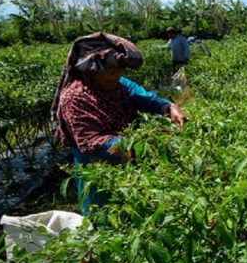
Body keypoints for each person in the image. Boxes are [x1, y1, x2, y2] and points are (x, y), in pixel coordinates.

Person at [51, 32, 186, 216]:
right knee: (106, 218)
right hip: (99, 173)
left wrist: (169, 107)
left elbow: (145, 98)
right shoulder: (75, 97)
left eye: (121, 71)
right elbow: (92, 143)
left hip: (129, 163)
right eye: (112, 72)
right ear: (90, 69)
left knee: (138, 212)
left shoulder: (120, 83)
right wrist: (144, 145)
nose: (117, 76)